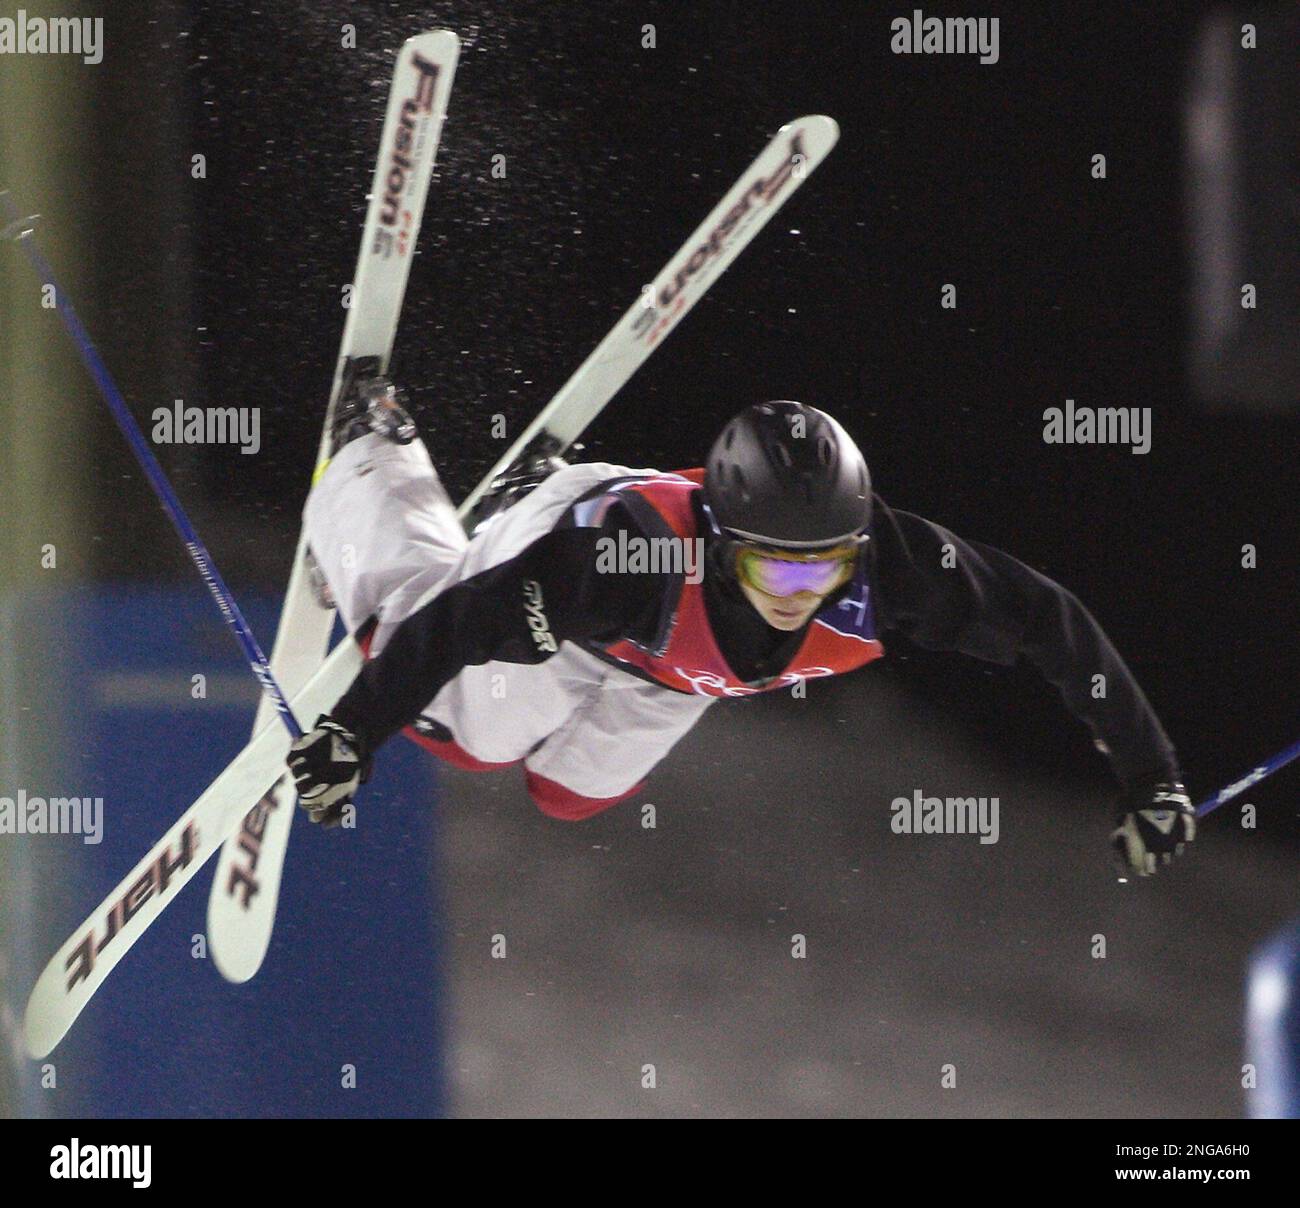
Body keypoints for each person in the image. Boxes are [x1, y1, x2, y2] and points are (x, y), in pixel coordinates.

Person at [288, 388, 1194, 878]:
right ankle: (373, 460)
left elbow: (1049, 622)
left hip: (673, 673)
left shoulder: (886, 569)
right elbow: (456, 625)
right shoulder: (626, 567)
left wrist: (1151, 776)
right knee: (466, 735)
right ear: (725, 548)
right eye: (776, 569)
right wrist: (353, 733)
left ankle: (511, 501)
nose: (802, 593)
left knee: (566, 795)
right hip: (581, 590)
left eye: (826, 567)